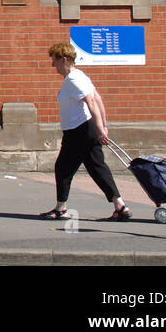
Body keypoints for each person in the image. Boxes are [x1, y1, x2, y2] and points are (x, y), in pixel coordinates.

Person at [40, 42, 131, 222]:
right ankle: (119, 205)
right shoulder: (79, 76)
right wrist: (102, 125)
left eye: (55, 60)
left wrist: (100, 128)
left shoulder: (73, 79)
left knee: (63, 168)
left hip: (79, 131)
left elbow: (91, 101)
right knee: (97, 168)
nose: (53, 65)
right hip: (83, 129)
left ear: (64, 60)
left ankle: (61, 208)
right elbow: (98, 98)